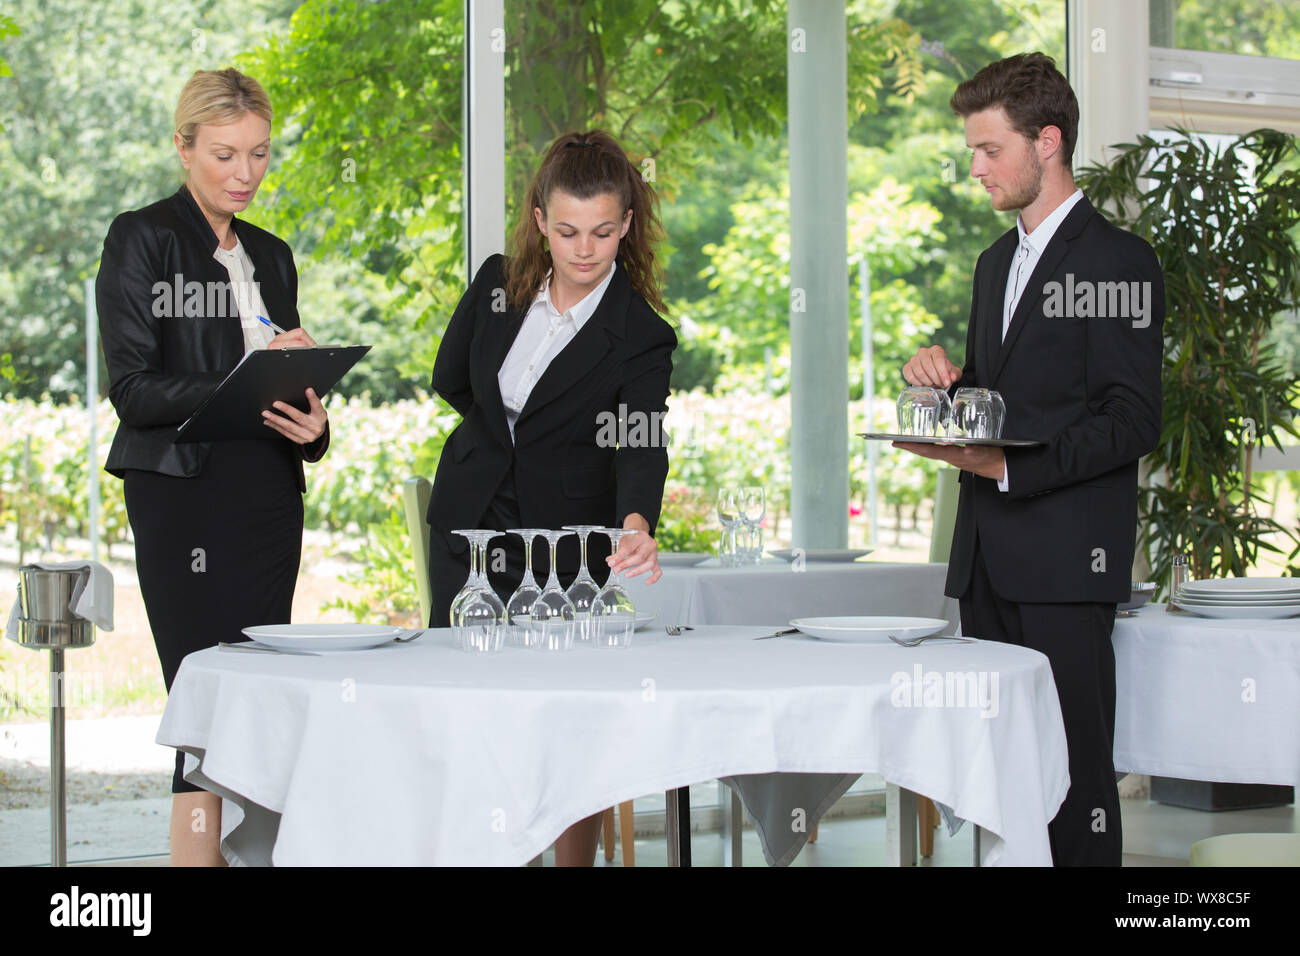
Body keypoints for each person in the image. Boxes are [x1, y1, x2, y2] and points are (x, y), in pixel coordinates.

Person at [895, 53, 1164, 866]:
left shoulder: (1119, 262)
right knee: (1002, 779)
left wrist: (1011, 468)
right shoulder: (990, 266)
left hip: (1064, 570)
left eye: (989, 150)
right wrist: (944, 385)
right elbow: (1010, 398)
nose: (975, 168)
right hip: (987, 566)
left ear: (1047, 141)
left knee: (1073, 783)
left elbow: (1132, 420)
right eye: (972, 151)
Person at [97, 68, 330, 866]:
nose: (245, 173)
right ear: (183, 147)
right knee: (206, 715)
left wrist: (313, 422)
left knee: (259, 707)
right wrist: (245, 375)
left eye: (260, 154)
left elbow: (285, 384)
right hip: (184, 499)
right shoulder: (143, 237)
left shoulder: (272, 253)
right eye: (225, 154)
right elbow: (131, 389)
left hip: (267, 501)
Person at [426, 129, 676, 865]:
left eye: (602, 231)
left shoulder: (639, 335)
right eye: (566, 230)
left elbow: (639, 437)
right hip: (470, 533)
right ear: (539, 219)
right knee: (473, 717)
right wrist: (497, 448)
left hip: (563, 550)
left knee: (568, 729)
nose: (584, 249)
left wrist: (635, 520)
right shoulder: (496, 285)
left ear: (627, 223)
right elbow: (452, 379)